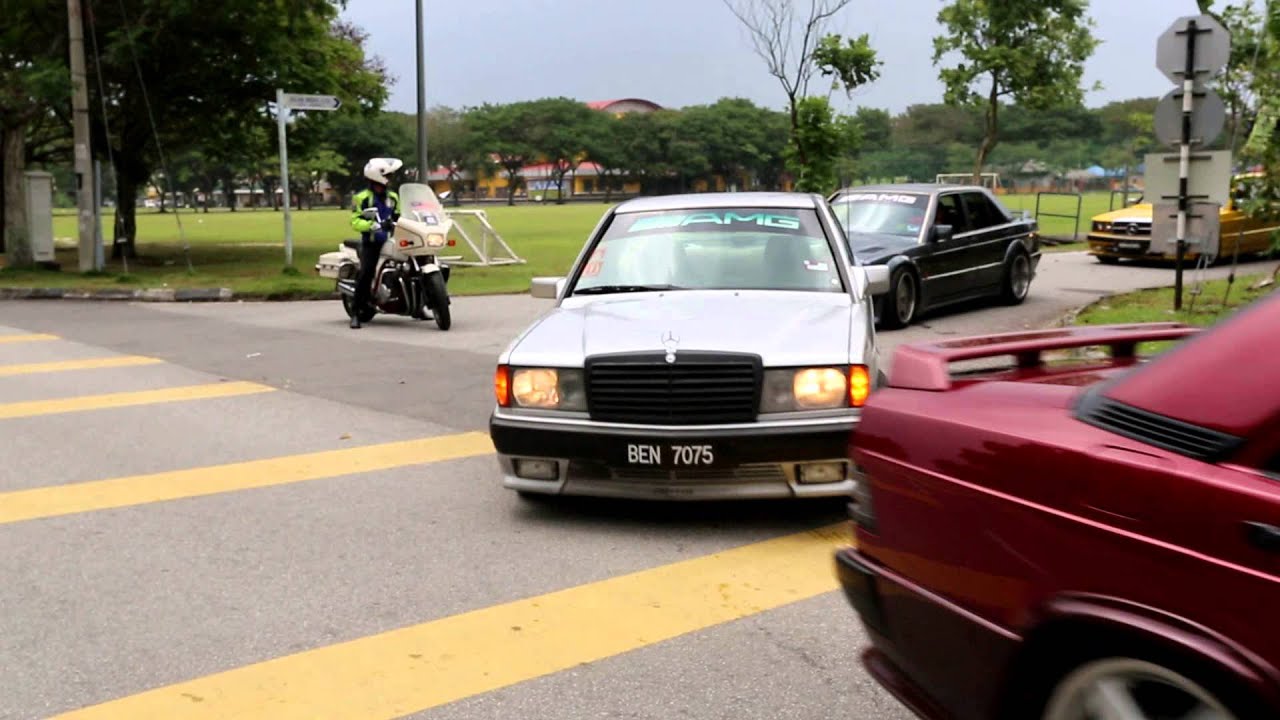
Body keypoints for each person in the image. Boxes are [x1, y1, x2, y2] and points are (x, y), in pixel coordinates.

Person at [348, 158, 404, 328]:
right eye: (388, 175)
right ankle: (356, 313)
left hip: (393, 241)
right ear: (378, 176)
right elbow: (354, 221)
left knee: (411, 268)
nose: (391, 178)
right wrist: (373, 225)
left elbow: (400, 216)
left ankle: (419, 306)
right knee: (366, 273)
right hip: (371, 243)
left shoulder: (393, 197)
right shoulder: (361, 198)